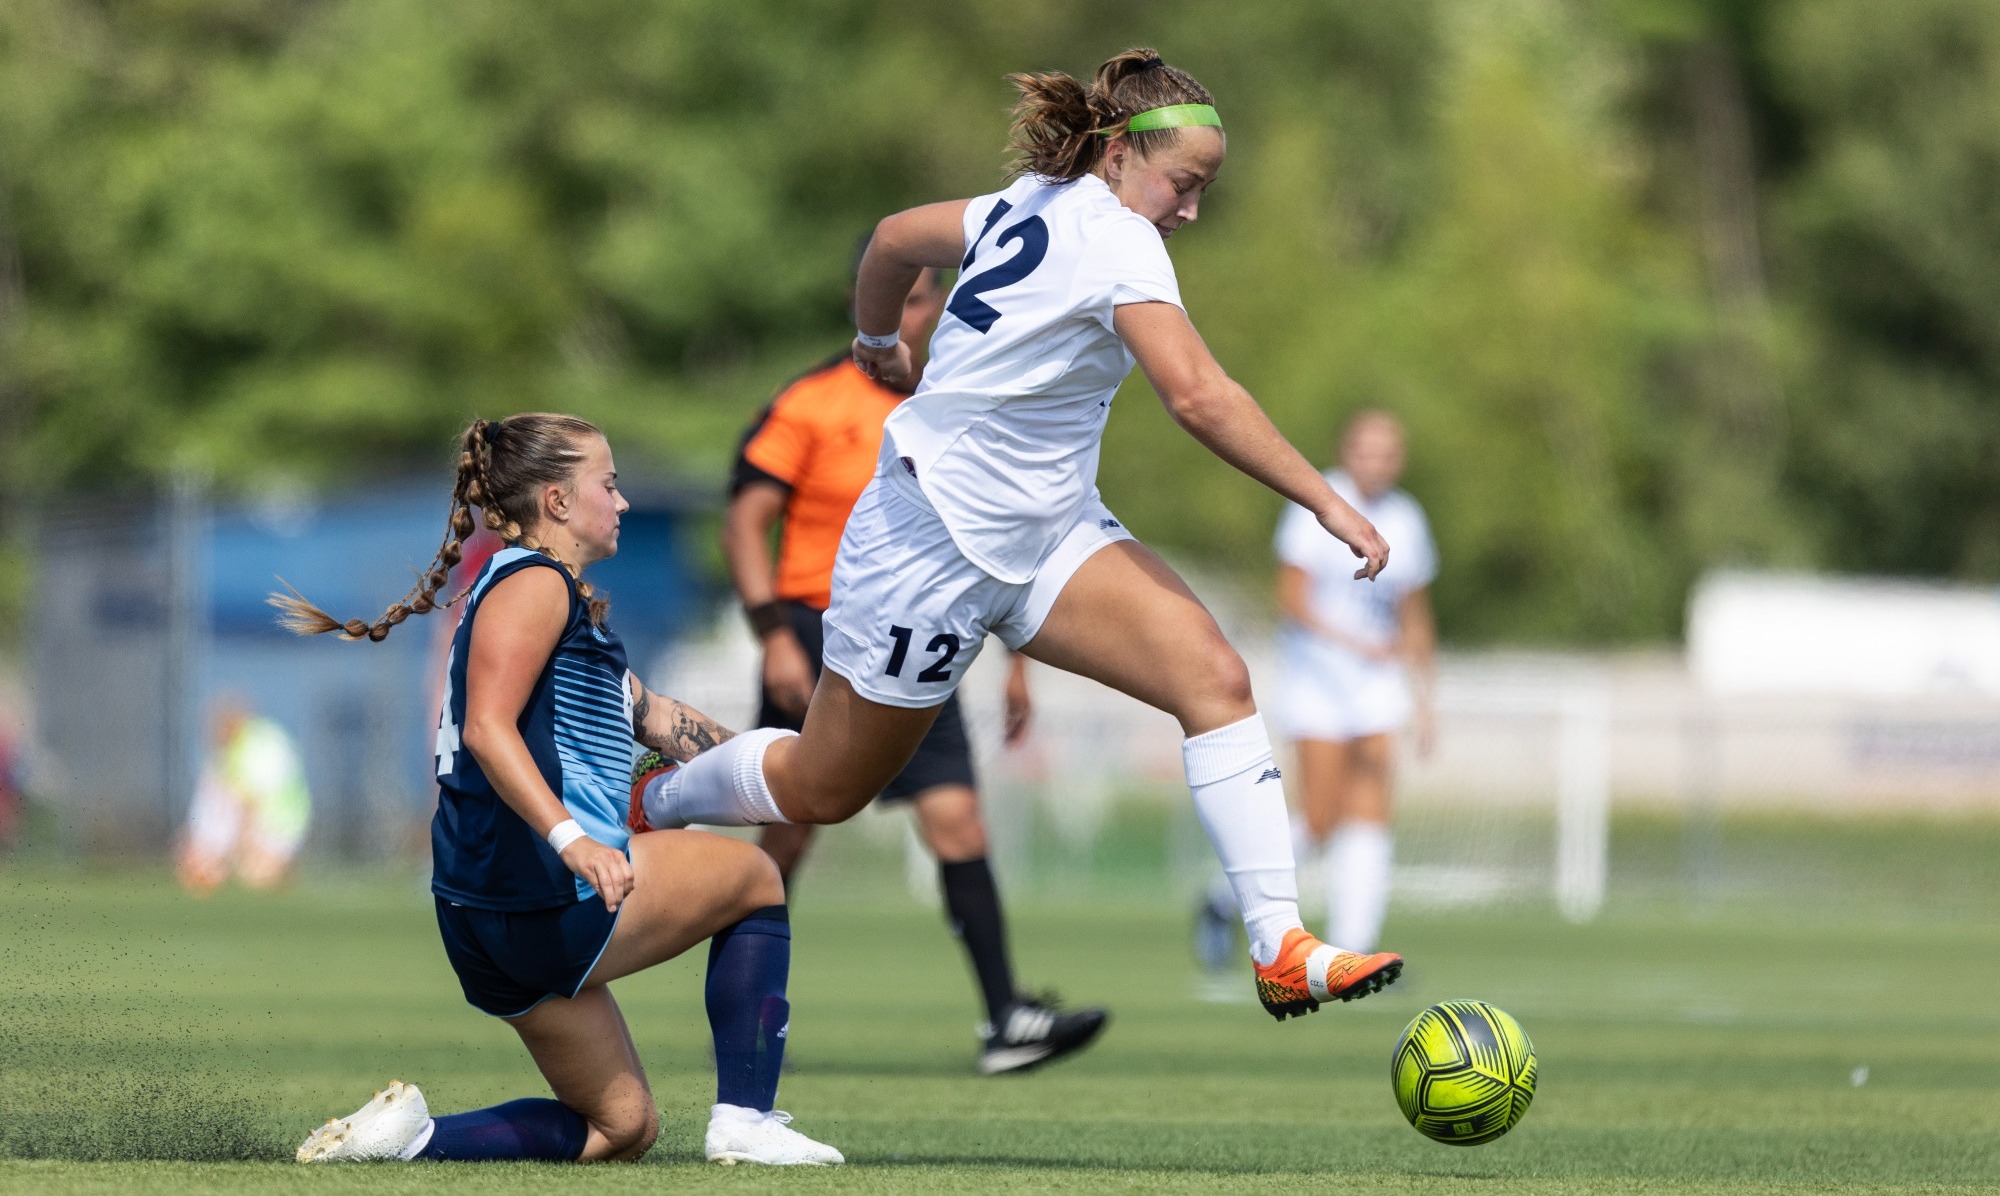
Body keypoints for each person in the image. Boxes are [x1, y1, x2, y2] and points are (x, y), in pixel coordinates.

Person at [637, 49, 1404, 1021]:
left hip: (1047, 533)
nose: (1191, 209)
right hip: (931, 542)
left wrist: (879, 344)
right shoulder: (1118, 239)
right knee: (821, 783)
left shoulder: (1025, 201)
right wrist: (1324, 501)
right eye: (1185, 184)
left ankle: (1278, 942)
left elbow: (889, 237)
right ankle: (652, 803)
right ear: (1122, 158)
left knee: (1213, 678)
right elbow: (1196, 395)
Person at [275, 413, 841, 1166]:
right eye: (607, 484)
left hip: (483, 915)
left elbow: (659, 718)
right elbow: (486, 728)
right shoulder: (535, 582)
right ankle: (747, 1120)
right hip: (543, 894)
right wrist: (572, 840)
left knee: (622, 1127)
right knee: (756, 878)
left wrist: (798, 771)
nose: (623, 501)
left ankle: (407, 1141)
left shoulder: (540, 594)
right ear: (558, 501)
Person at [706, 253, 1108, 1074]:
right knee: (785, 839)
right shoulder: (810, 402)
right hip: (822, 636)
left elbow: (990, 534)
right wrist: (774, 635)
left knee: (957, 818)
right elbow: (745, 524)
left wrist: (1021, 658)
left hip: (930, 631)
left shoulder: (948, 400)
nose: (923, 313)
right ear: (877, 299)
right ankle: (732, 1016)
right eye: (914, 296)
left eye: (933, 298)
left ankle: (1006, 1021)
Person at [1196, 411, 1436, 967]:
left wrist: (1425, 699)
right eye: (1366, 449)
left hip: (1376, 685)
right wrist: (1354, 644)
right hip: (1318, 682)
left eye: (1387, 451)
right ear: (1347, 452)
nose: (1376, 461)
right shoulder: (1317, 506)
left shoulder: (1407, 516)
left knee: (1372, 811)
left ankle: (1356, 947)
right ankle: (1220, 899)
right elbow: (1292, 598)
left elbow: (1415, 614)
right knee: (1321, 819)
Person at [175, 699, 312, 893]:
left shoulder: (254, 746)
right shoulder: (228, 752)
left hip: (277, 822)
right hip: (264, 822)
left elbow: (252, 802)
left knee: (255, 877)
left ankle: (275, 866)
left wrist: (242, 846)